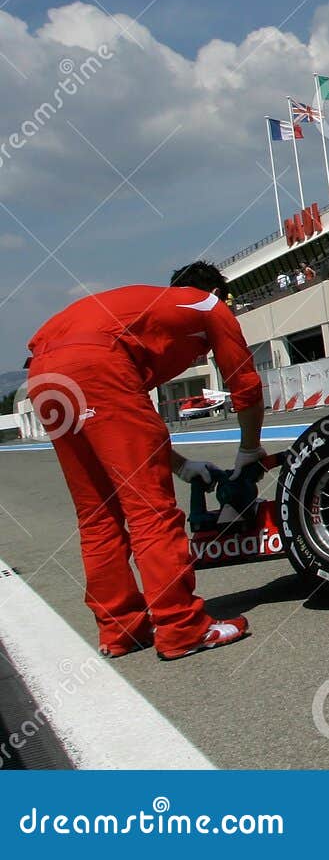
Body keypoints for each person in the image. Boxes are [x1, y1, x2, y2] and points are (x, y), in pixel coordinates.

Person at [24, 261, 264, 660]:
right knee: (151, 509)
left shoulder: (148, 311)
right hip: (93, 361)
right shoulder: (207, 305)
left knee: (98, 513)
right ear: (217, 293)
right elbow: (244, 382)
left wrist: (183, 465)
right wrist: (249, 449)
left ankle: (121, 629)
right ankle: (181, 628)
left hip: (43, 372)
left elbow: (122, 432)